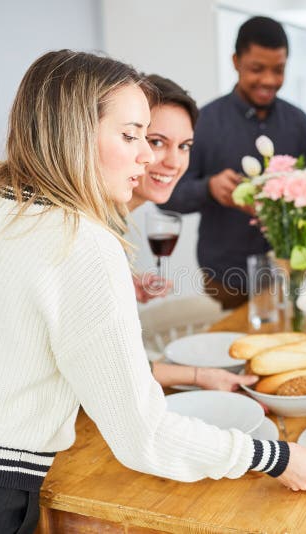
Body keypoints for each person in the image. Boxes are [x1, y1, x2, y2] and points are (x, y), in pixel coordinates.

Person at [0, 50, 306, 533]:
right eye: (131, 136)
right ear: (74, 133)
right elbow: (142, 435)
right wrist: (271, 456)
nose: (146, 156)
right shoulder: (81, 241)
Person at [162, 16, 306, 309]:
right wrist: (209, 188)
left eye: (278, 70)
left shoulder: (299, 123)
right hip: (224, 277)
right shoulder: (202, 123)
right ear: (236, 61)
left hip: (285, 274)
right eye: (257, 69)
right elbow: (165, 197)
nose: (269, 80)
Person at [126, 74, 257, 393]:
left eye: (185, 147)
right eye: (157, 142)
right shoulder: (89, 230)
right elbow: (111, 369)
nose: (174, 162)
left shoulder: (117, 223)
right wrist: (197, 376)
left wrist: (123, 285)